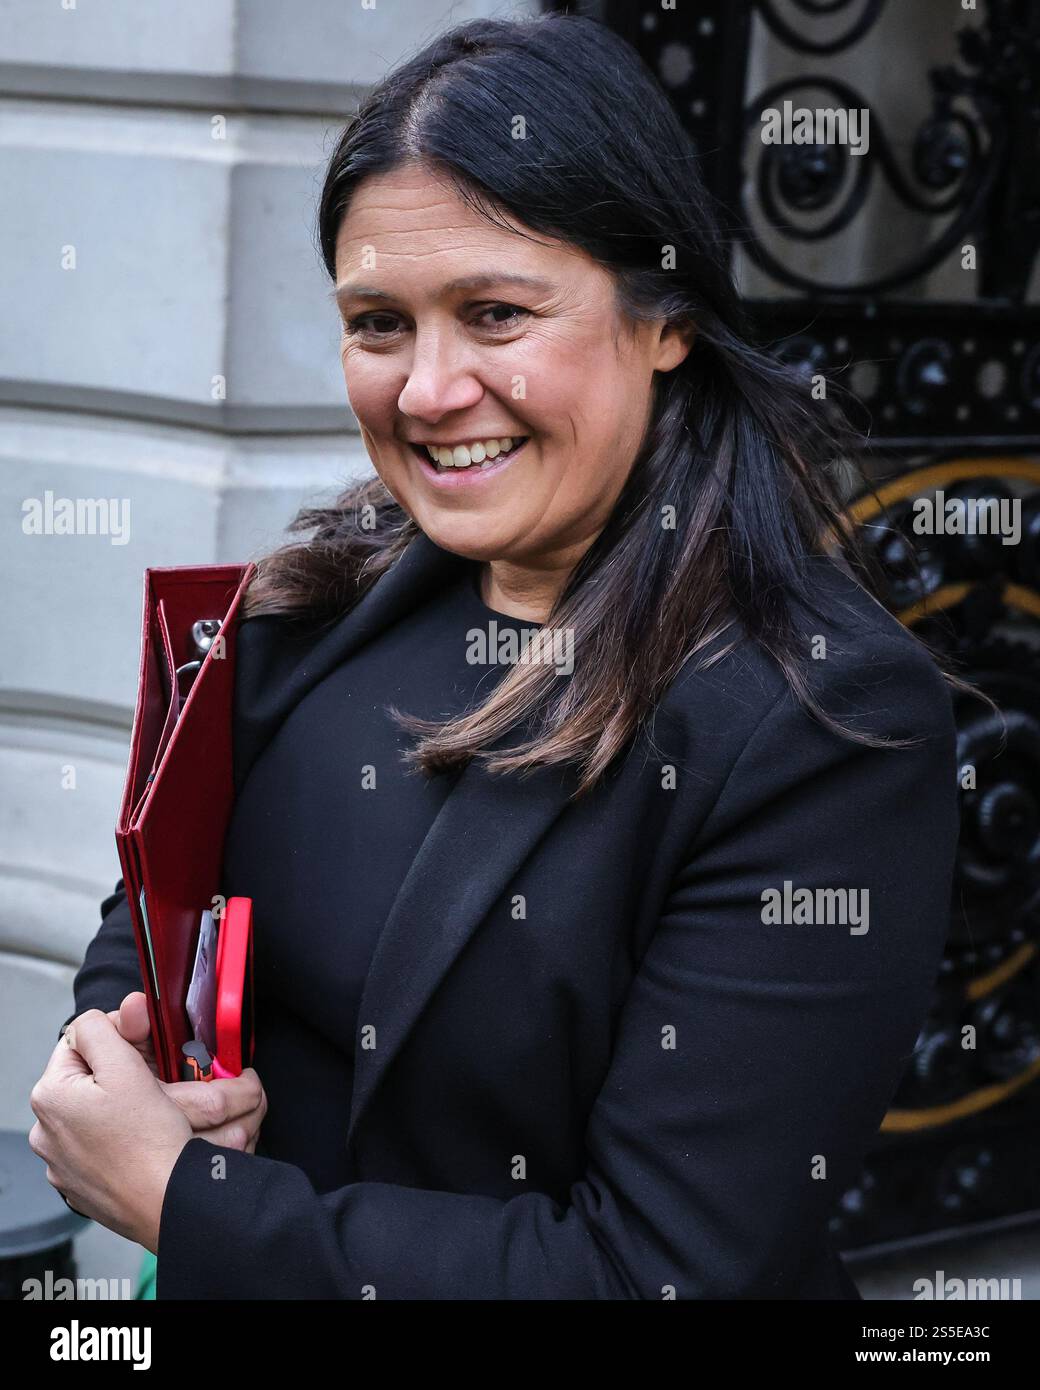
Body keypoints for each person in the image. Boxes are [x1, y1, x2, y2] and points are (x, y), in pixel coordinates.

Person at [30, 13, 962, 1299]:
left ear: (665, 319)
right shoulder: (310, 595)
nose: (426, 389)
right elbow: (151, 925)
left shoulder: (816, 720)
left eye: (495, 312)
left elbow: (652, 1272)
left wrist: (196, 1206)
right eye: (379, 323)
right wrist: (131, 1066)